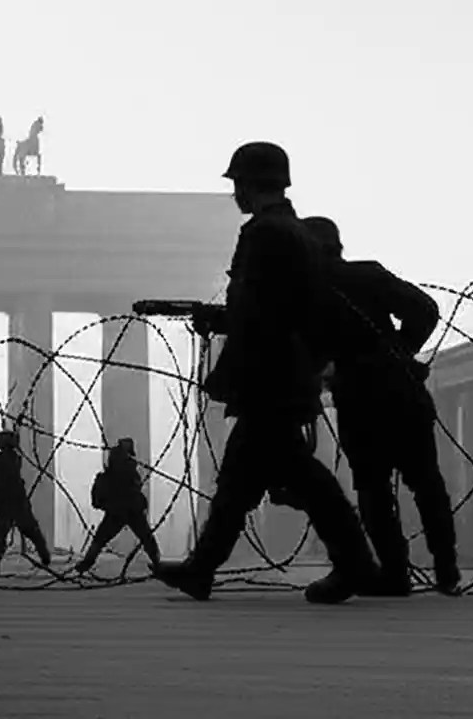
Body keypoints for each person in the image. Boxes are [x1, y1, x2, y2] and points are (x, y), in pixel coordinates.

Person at [152, 141, 381, 605]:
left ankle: (355, 564)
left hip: (267, 373)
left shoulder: (264, 234)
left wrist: (221, 323)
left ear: (249, 183)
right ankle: (203, 568)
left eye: (237, 182)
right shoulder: (292, 231)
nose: (234, 192)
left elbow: (260, 310)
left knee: (293, 477)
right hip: (282, 368)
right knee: (246, 478)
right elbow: (284, 305)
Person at [303, 215, 461, 596]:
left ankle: (394, 573)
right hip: (402, 390)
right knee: (426, 481)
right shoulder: (368, 275)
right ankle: (446, 570)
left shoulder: (308, 290)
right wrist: (399, 351)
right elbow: (424, 308)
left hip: (359, 397)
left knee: (373, 488)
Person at [73, 438, 161, 574]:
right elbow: (134, 482)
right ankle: (157, 562)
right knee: (146, 537)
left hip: (120, 510)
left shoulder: (122, 463)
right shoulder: (126, 465)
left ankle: (87, 562)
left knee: (101, 538)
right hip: (128, 509)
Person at [0, 430, 52, 576]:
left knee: (2, 537)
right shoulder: (13, 459)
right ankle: (44, 556)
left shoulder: (2, 460)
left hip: (8, 505)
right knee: (30, 531)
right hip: (17, 504)